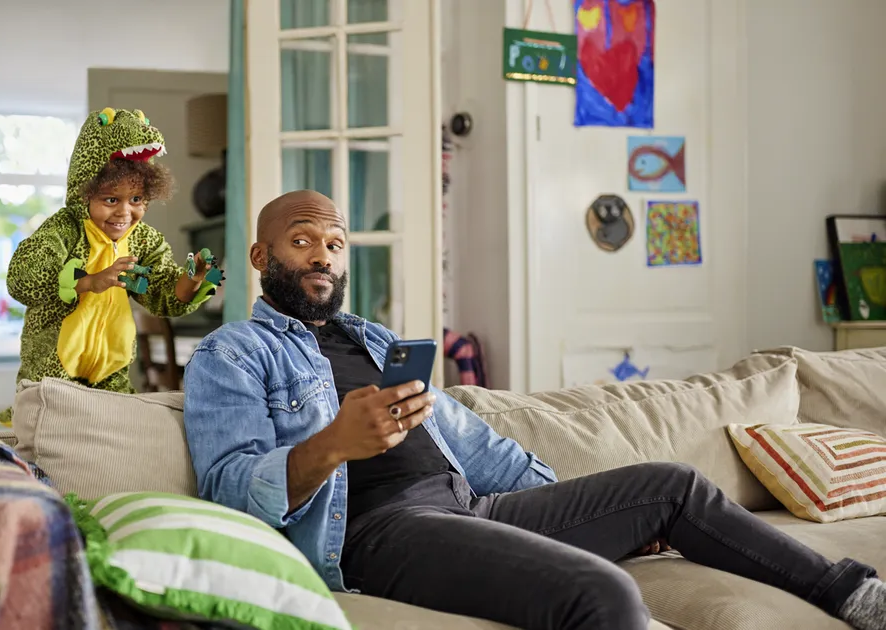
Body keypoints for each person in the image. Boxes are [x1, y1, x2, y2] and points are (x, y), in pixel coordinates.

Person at [181, 189, 886, 630]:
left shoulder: (379, 341)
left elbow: (481, 447)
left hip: (473, 508)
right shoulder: (232, 353)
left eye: (335, 244)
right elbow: (231, 492)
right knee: (604, 594)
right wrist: (332, 443)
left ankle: (855, 596)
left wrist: (591, 516)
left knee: (673, 486)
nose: (323, 257)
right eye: (303, 239)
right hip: (379, 533)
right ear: (261, 255)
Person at [0, 107, 221, 426]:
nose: (125, 213)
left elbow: (163, 292)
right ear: (84, 194)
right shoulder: (63, 230)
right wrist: (89, 281)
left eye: (137, 200)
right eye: (111, 200)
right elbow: (23, 279)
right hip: (54, 366)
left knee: (114, 434)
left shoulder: (143, 239)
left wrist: (193, 278)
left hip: (111, 368)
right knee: (48, 431)